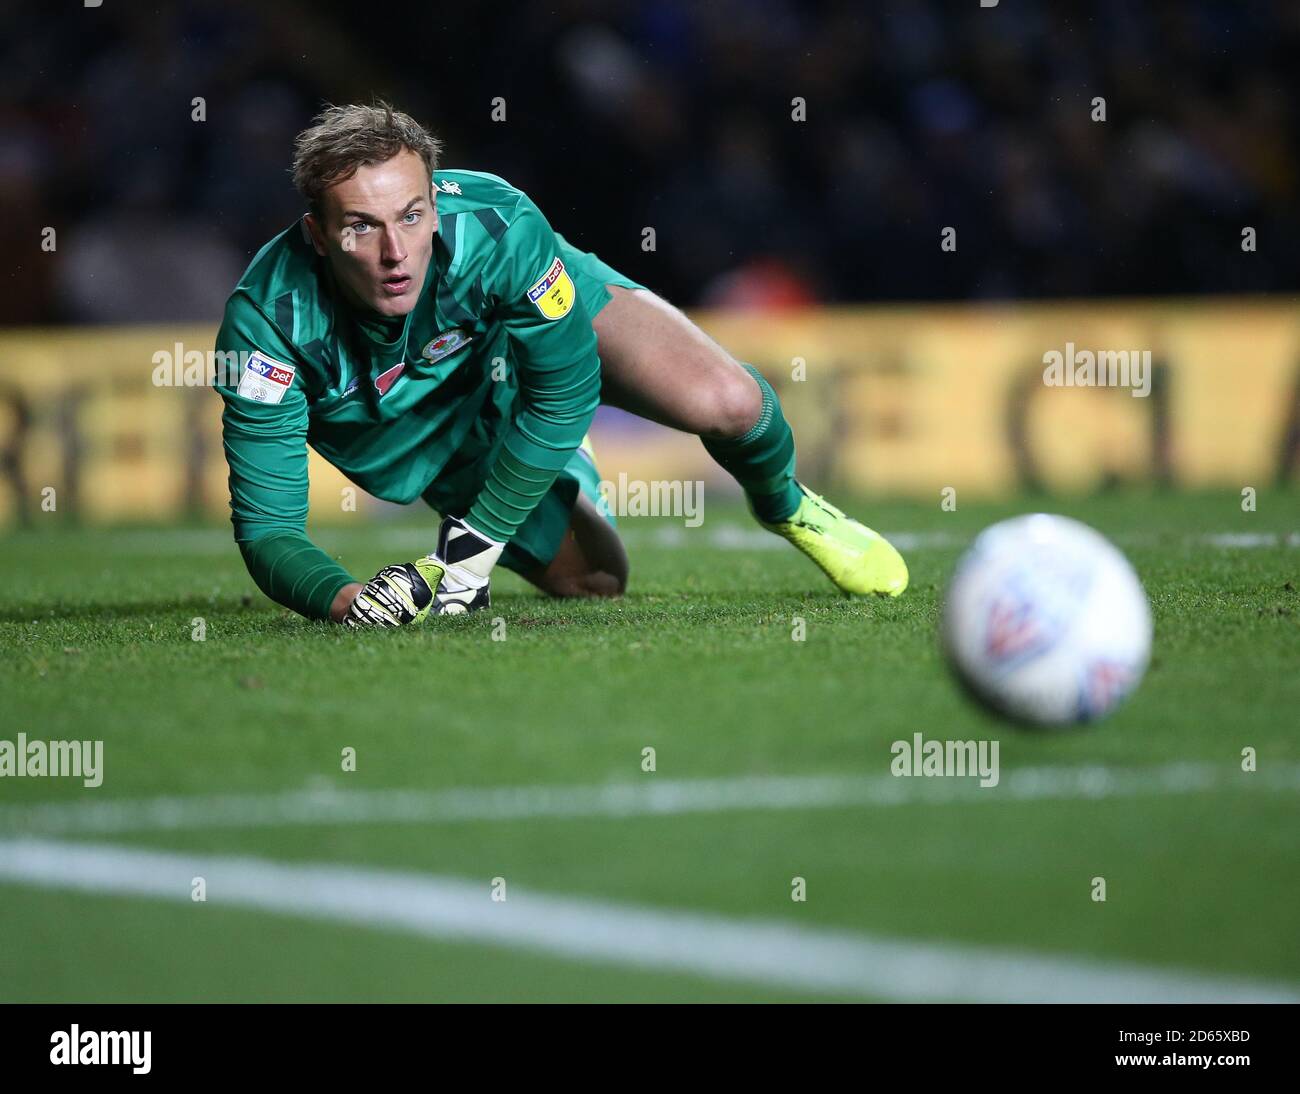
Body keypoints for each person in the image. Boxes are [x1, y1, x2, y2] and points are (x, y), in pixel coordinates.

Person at [215, 102, 907, 627]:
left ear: (435, 207)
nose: (395, 251)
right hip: (440, 430)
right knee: (595, 584)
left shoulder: (499, 228)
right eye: (361, 225)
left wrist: (476, 547)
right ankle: (521, 471)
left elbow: (568, 389)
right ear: (318, 234)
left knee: (730, 403)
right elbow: (270, 531)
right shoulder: (265, 328)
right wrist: (348, 602)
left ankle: (788, 507)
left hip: (529, 345)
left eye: (412, 215)